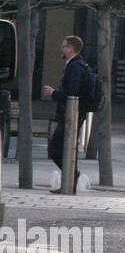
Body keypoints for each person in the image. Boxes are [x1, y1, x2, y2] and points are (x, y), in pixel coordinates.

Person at [41, 35, 91, 191]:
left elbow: (72, 92)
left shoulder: (75, 66)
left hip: (72, 115)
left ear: (70, 49)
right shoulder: (76, 64)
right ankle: (70, 182)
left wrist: (53, 93)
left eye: (63, 46)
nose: (61, 49)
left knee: (55, 148)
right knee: (66, 148)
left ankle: (72, 176)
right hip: (72, 114)